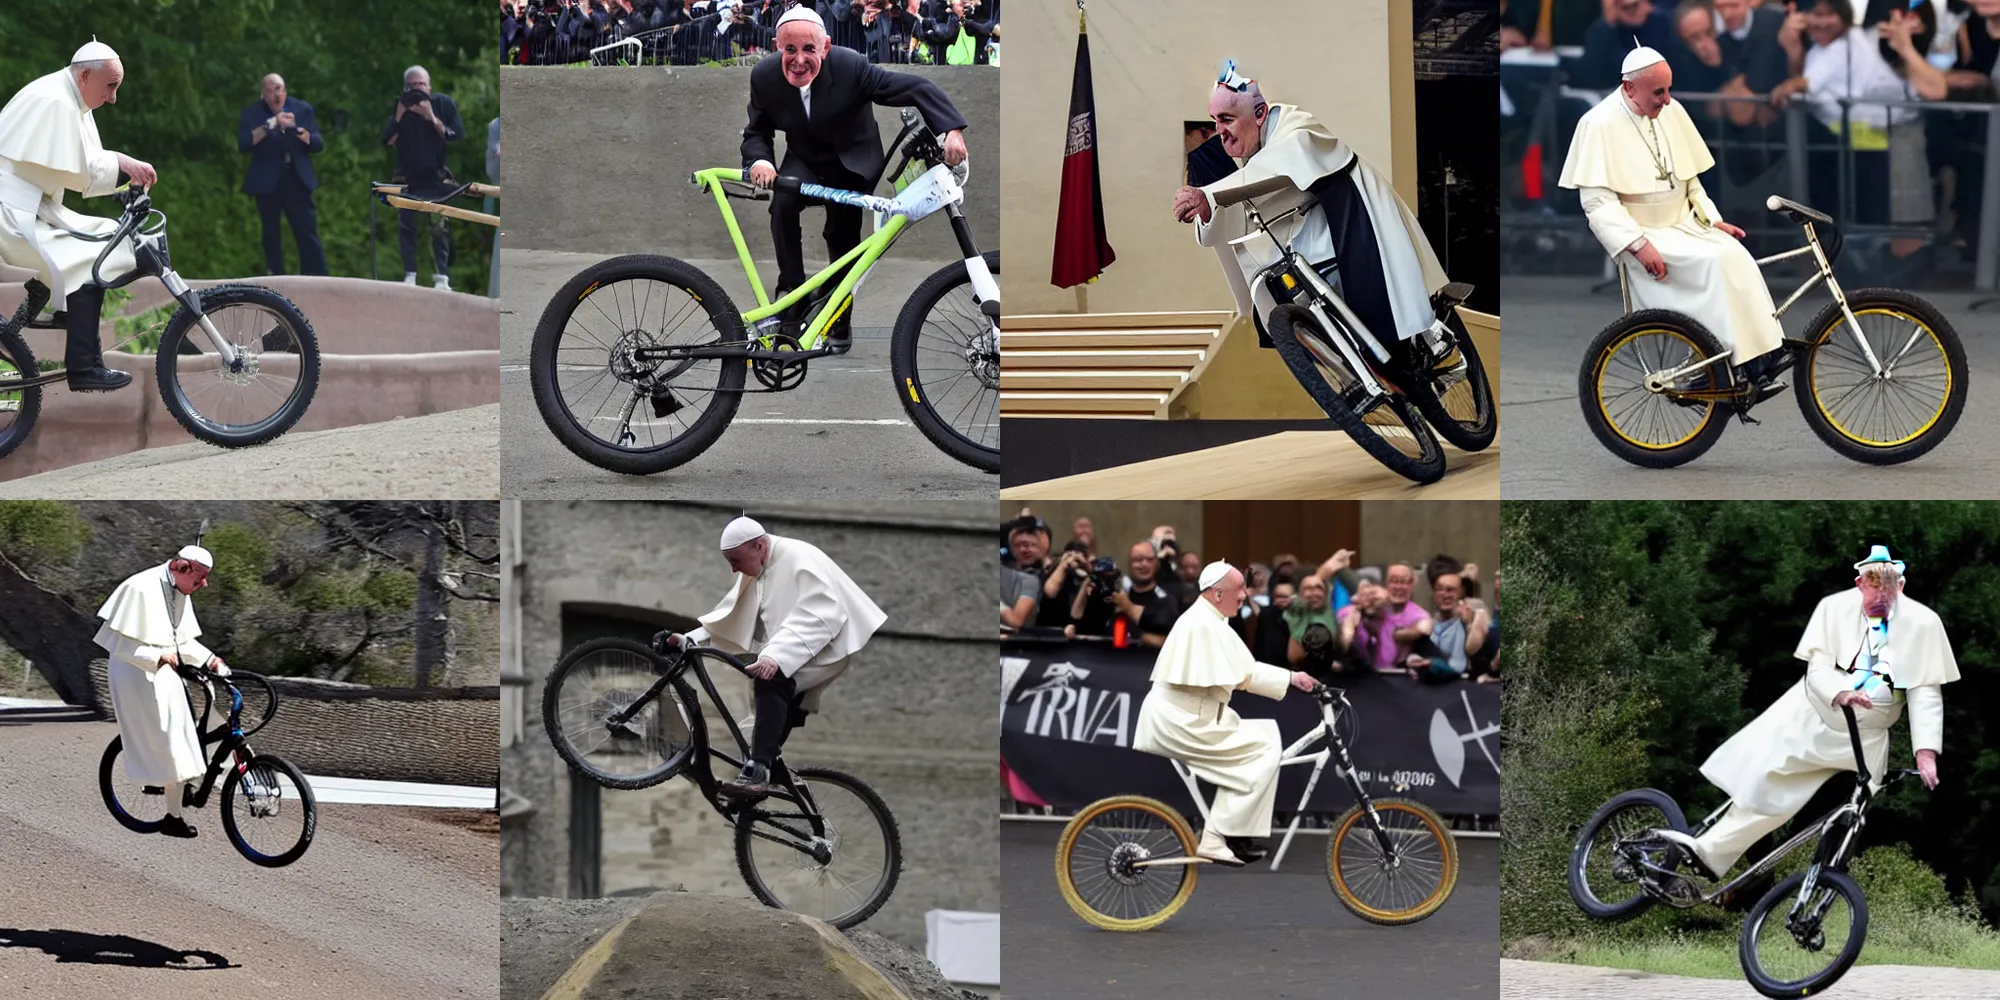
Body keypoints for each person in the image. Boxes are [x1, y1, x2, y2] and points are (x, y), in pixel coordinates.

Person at [1651, 546, 1954, 889]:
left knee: (1842, 815)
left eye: (1888, 586)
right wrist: (1841, 692)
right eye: (1873, 584)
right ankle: (1712, 854)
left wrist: (1925, 752)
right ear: (1859, 584)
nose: (1880, 594)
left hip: (1864, 741)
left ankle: (1812, 893)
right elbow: (1818, 670)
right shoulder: (1833, 609)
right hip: (1811, 721)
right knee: (1767, 792)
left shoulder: (1924, 625)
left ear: (1901, 587)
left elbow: (1925, 692)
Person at [1173, 61, 1449, 389]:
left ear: (1259, 113)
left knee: (1387, 294)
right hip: (1313, 236)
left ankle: (1434, 335)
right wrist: (1209, 211)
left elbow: (1279, 167)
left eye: (1227, 119)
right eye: (1215, 120)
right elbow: (1252, 198)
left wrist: (1210, 196)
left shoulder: (1293, 127)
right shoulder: (1254, 153)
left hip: (1357, 220)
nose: (1220, 130)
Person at [1558, 45, 1790, 405]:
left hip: (1685, 224)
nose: (1667, 101)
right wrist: (1636, 244)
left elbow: (1691, 180)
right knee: (1714, 265)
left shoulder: (1673, 111)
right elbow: (1597, 202)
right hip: (1645, 233)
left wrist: (1713, 221)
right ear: (1629, 88)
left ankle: (1762, 355)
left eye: (1668, 90)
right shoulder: (1597, 123)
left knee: (1736, 255)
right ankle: (1708, 368)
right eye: (1658, 92)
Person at [742, 6, 968, 350]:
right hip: (804, 160)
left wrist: (950, 130)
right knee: (782, 205)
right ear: (777, 46)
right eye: (789, 50)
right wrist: (760, 160)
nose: (799, 60)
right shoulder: (764, 77)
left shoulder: (851, 67)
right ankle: (791, 296)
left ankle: (839, 326)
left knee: (842, 238)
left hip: (851, 162)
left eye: (809, 50)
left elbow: (914, 87)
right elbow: (756, 132)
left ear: (826, 47)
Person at [653, 516, 886, 797]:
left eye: (735, 560)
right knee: (764, 733)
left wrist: (775, 657)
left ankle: (758, 772)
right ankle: (755, 789)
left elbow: (821, 613)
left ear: (759, 546)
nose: (733, 569)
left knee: (771, 679)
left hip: (826, 647)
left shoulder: (799, 557)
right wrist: (689, 638)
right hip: (801, 649)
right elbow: (734, 615)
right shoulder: (763, 566)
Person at [1133, 561, 1318, 867]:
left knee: (1268, 735)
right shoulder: (1203, 624)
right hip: (1181, 721)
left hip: (1195, 716)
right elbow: (1244, 677)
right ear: (1218, 593)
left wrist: (1291, 678)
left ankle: (1240, 833)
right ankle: (1217, 836)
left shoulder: (1213, 620)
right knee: (1263, 752)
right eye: (1239, 590)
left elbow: (1244, 671)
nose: (1245, 595)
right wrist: (1290, 678)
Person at [0, 40, 157, 393]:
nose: (113, 97)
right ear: (86, 75)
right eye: (111, 86)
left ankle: (55, 310)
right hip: (11, 215)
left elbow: (78, 169)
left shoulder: (68, 97)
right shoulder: (55, 101)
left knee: (104, 234)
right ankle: (83, 366)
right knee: (91, 258)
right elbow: (83, 172)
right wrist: (124, 163)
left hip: (28, 207)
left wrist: (120, 170)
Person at [93, 545, 233, 840]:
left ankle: (176, 806)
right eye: (201, 577)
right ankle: (169, 805)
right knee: (168, 742)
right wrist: (156, 657)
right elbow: (117, 641)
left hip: (166, 675)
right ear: (181, 568)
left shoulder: (178, 593)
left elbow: (181, 641)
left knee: (188, 735)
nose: (204, 584)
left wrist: (210, 660)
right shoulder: (139, 588)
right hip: (135, 674)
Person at [382, 65, 464, 291]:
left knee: (439, 227)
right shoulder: (400, 107)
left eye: (421, 85)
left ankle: (442, 276)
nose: (417, 90)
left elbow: (455, 134)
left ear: (429, 86)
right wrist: (399, 115)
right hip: (407, 178)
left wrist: (431, 117)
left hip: (436, 177)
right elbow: (387, 140)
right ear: (404, 87)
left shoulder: (442, 104)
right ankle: (410, 274)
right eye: (412, 86)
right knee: (407, 226)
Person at [238, 73, 328, 277]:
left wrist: (296, 130)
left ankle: (317, 275)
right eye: (271, 90)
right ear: (263, 94)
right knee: (270, 232)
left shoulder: (301, 109)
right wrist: (272, 124)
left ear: (285, 90)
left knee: (306, 229)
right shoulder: (253, 113)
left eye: (279, 88)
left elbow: (317, 142)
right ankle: (275, 273)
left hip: (296, 177)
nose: (276, 94)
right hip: (267, 181)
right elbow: (244, 144)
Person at [1112, 540, 1179, 647]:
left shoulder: (1165, 599)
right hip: (1118, 660)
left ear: (1156, 563)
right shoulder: (1121, 596)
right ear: (1130, 565)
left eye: (1149, 560)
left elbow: (1163, 623)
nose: (1144, 564)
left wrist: (1128, 607)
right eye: (1138, 560)